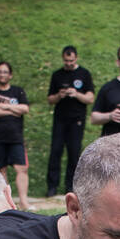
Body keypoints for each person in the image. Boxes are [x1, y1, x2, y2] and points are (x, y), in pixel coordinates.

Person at [44, 46, 94, 197]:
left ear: (76, 58)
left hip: (77, 120)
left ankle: (71, 186)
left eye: (71, 61)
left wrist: (76, 94)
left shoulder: (84, 74)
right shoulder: (57, 75)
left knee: (74, 153)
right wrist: (60, 95)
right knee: (56, 151)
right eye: (66, 61)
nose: (69, 63)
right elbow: (50, 99)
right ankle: (52, 186)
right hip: (60, 119)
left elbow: (90, 98)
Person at [0, 61, 30, 210]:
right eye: (0, 72)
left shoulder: (18, 91)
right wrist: (14, 111)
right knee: (1, 170)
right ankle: (6, 204)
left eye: (5, 72)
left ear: (10, 75)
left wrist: (5, 106)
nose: (2, 74)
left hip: (15, 136)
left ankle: (24, 202)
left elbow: (25, 108)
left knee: (21, 168)